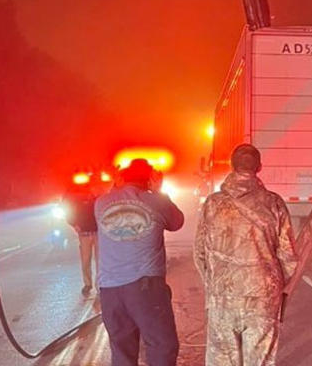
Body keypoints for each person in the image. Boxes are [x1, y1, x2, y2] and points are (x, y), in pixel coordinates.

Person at [194, 144, 298, 366]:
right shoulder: (274, 203)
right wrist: (274, 285)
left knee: (223, 359)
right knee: (259, 360)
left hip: (222, 295)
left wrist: (214, 284)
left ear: (232, 166)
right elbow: (288, 256)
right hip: (263, 296)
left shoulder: (213, 204)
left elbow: (200, 252)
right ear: (259, 167)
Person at [95, 158, 184, 366]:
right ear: (150, 179)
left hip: (110, 291)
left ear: (122, 178)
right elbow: (177, 222)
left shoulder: (101, 203)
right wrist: (159, 191)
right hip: (145, 288)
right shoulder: (156, 201)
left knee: (122, 353)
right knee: (162, 347)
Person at [63, 181, 98, 296]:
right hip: (84, 234)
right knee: (86, 260)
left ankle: (100, 285)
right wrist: (74, 224)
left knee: (100, 261)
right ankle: (88, 284)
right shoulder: (75, 198)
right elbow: (68, 212)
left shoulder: (96, 197)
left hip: (97, 232)